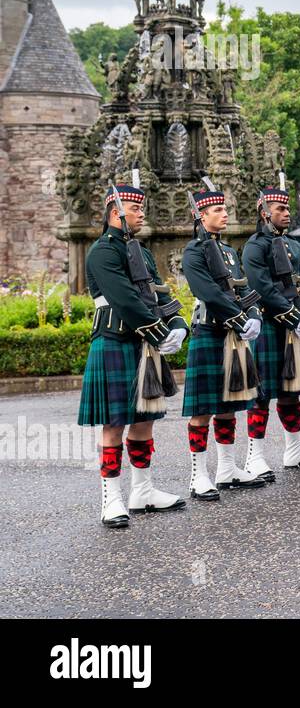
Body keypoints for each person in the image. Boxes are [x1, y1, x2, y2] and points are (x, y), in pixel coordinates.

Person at [78, 179, 190, 526]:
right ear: (116, 213)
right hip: (113, 340)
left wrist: (179, 322)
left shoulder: (140, 252)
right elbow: (125, 298)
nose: (142, 214)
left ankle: (142, 490)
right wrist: (159, 333)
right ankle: (111, 497)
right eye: (136, 209)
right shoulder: (101, 251)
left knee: (144, 420)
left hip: (142, 344)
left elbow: (159, 292)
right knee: (114, 423)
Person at [180, 182, 265, 501]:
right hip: (211, 331)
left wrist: (254, 312)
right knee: (203, 407)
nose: (225, 214)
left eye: (224, 209)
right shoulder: (193, 250)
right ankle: (198, 474)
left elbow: (242, 287)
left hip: (233, 332)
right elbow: (209, 292)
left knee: (230, 403)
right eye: (217, 210)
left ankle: (227, 469)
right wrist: (240, 317)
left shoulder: (229, 252)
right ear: (200, 216)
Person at [242, 181, 300, 474]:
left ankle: (295, 449)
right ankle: (255, 456)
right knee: (262, 394)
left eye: (287, 207)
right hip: (269, 325)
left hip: (295, 327)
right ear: (264, 212)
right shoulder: (254, 246)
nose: (287, 212)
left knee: (293, 391)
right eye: (280, 208)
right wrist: (295, 317)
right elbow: (262, 288)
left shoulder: (291, 244)